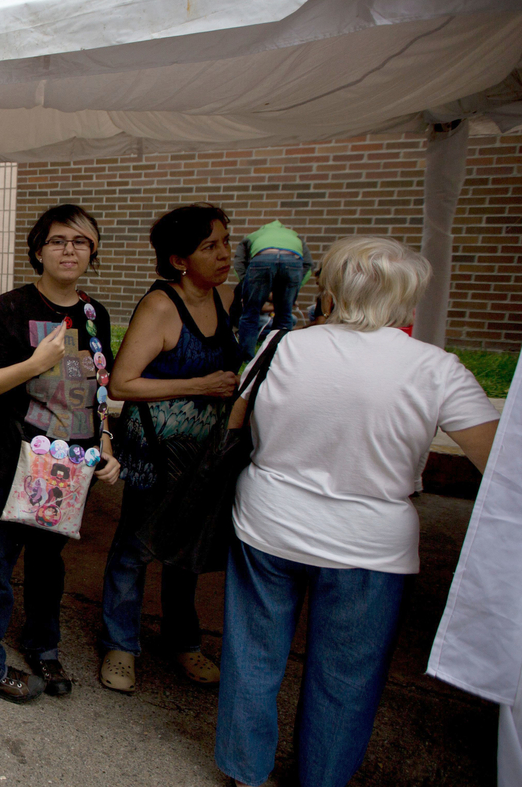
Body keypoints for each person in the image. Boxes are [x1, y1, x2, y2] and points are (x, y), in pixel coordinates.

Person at [213, 236, 499, 787]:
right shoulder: (438, 370)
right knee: (347, 676)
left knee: (253, 656)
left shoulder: (281, 345)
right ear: (407, 298)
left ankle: (244, 772)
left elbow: (234, 425)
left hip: (268, 523)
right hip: (371, 544)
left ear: (332, 289)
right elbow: (501, 469)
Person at [0, 205, 123, 703]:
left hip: (69, 469)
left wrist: (106, 447)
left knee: (49, 566)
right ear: (38, 250)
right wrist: (34, 363)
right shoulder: (9, 309)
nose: (70, 249)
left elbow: (96, 391)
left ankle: (42, 647)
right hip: (12, 462)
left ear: (93, 251)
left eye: (81, 241)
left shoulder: (94, 314)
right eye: (58, 241)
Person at [101, 203, 241, 693]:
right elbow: (121, 384)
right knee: (137, 548)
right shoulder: (161, 306)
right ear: (180, 259)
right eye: (210, 247)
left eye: (225, 241)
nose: (225, 254)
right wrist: (201, 385)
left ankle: (185, 641)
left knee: (186, 548)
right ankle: (121, 644)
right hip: (157, 453)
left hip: (206, 455)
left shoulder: (224, 296)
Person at [232, 220, 314, 360]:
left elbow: (239, 262)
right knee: (284, 315)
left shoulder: (253, 235)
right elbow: (308, 264)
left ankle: (246, 357)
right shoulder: (295, 236)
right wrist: (295, 287)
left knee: (250, 314)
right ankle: (278, 357)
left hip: (262, 259)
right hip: (292, 260)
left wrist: (247, 283)